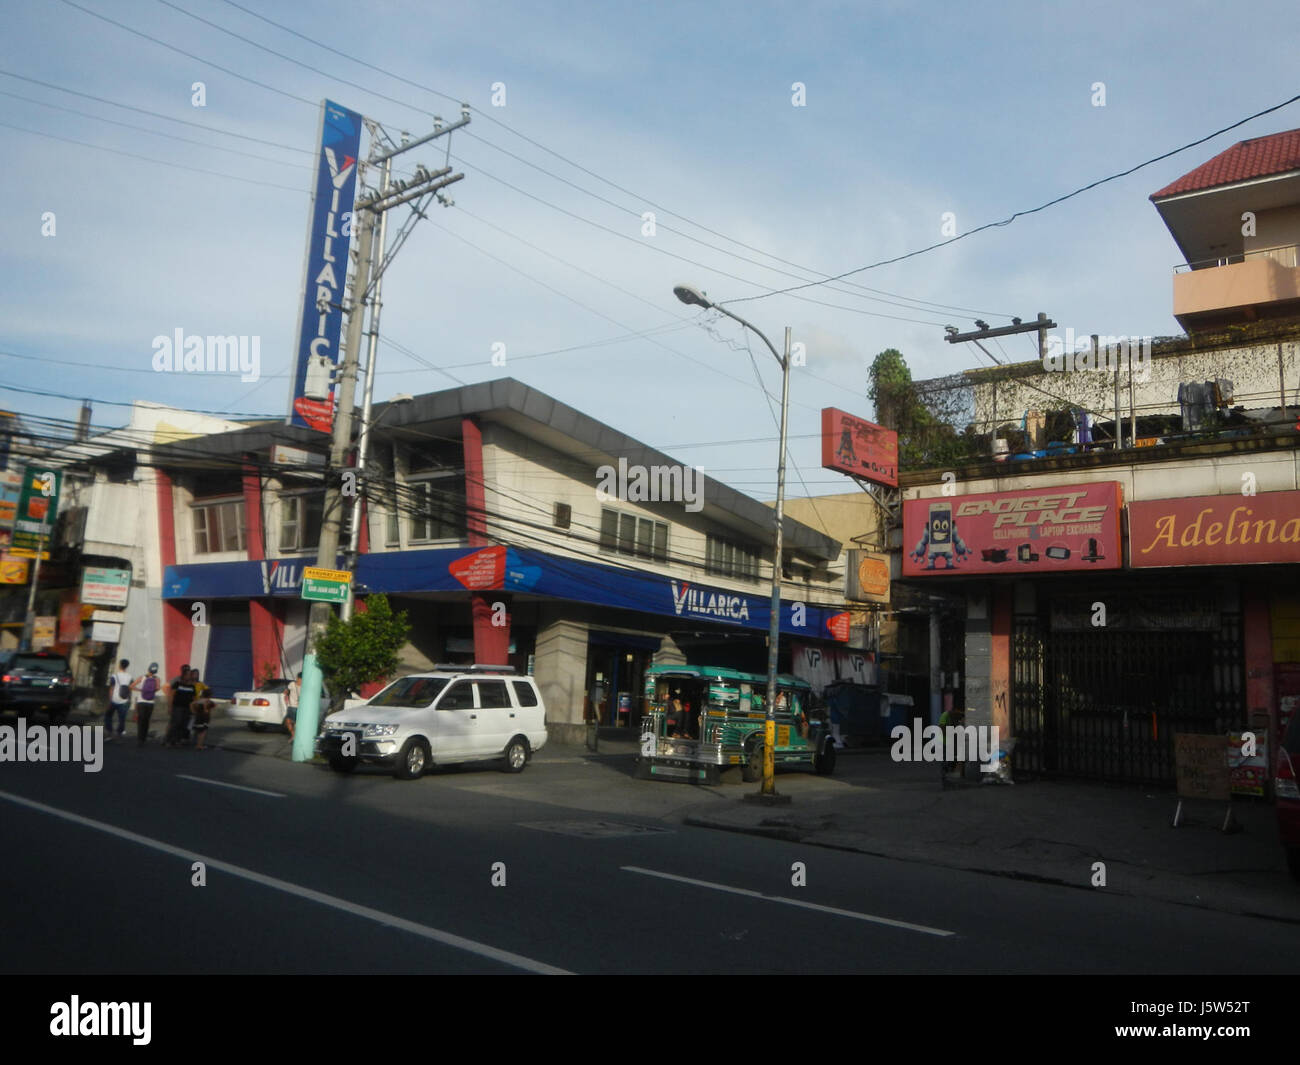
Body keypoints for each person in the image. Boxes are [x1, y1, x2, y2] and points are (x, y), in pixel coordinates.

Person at [166, 665, 196, 747]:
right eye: (188, 675)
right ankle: (169, 740)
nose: (189, 676)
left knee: (183, 724)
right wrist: (170, 707)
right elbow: (171, 695)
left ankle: (177, 741)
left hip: (187, 708)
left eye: (190, 675)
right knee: (176, 723)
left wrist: (193, 709)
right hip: (177, 707)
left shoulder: (192, 686)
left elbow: (193, 699)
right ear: (184, 675)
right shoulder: (177, 684)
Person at [132, 663, 161, 745]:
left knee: (141, 720)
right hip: (150, 702)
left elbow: (131, 686)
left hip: (141, 701)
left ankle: (140, 738)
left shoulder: (142, 677)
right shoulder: (157, 679)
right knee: (147, 720)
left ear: (148, 669)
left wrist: (140, 690)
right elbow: (158, 688)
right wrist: (152, 691)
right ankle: (143, 738)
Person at [106, 659, 133, 740]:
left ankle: (109, 731)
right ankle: (119, 734)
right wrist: (130, 699)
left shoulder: (115, 676)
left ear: (120, 665)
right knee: (122, 718)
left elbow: (111, 688)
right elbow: (130, 689)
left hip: (114, 699)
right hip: (124, 700)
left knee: (108, 716)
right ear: (127, 666)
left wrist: (110, 700)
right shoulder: (130, 677)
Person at [190, 675, 215, 750]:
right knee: (203, 732)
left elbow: (191, 704)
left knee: (198, 731)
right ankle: (200, 745)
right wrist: (206, 709)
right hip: (205, 718)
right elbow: (210, 705)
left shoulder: (198, 700)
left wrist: (193, 711)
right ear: (210, 695)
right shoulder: (208, 701)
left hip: (198, 716)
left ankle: (197, 743)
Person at [284, 672, 301, 738]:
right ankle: (294, 735)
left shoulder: (292, 684)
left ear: (298, 678)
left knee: (288, 721)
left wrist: (286, 693)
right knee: (294, 721)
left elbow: (286, 692)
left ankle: (293, 735)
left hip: (292, 706)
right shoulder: (304, 686)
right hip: (297, 707)